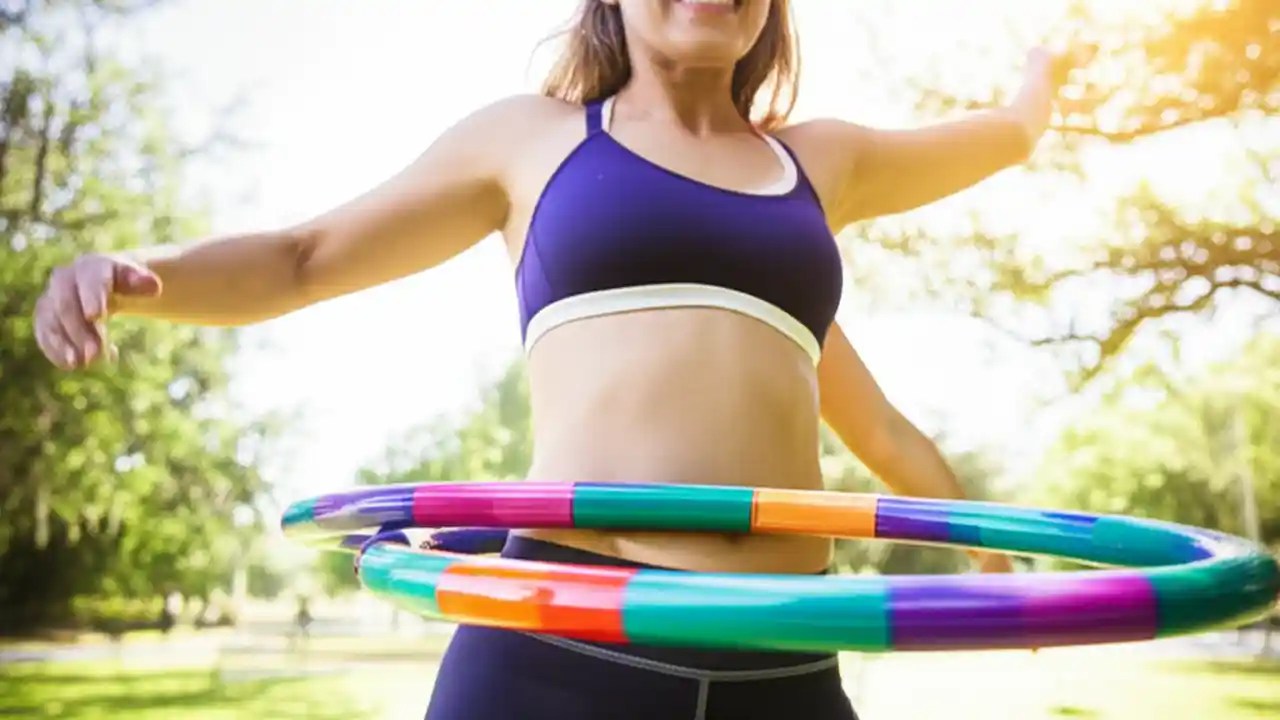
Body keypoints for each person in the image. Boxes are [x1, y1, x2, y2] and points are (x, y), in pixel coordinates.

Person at [33, 1, 1071, 717]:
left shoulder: (818, 166)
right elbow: (302, 259)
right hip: (562, 651)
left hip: (781, 661)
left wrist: (979, 547)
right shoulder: (531, 141)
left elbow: (880, 426)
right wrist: (137, 270)